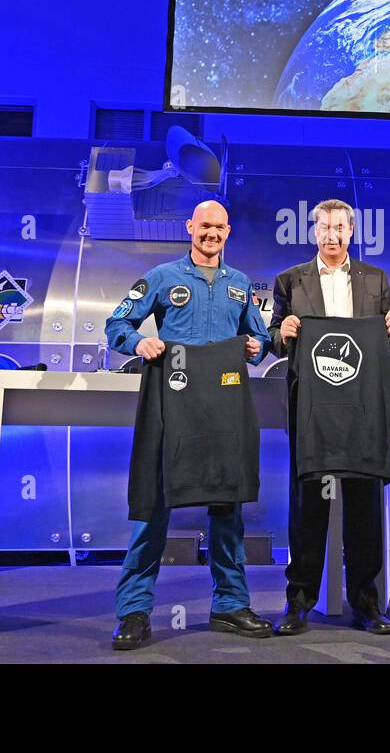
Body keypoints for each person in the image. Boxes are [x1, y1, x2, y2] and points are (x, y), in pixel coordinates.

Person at [104, 200, 273, 650]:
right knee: (154, 504)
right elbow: (116, 323)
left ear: (228, 231)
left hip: (223, 406)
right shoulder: (161, 277)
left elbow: (262, 338)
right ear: (190, 228)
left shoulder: (240, 285)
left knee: (227, 506)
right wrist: (140, 342)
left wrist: (258, 346)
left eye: (219, 227)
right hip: (172, 403)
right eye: (204, 226)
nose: (211, 233)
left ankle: (230, 606)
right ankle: (134, 612)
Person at [269, 198, 390, 635]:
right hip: (312, 410)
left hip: (361, 411)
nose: (332, 235)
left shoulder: (375, 279)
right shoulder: (290, 280)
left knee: (365, 506)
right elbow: (273, 338)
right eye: (324, 227)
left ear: (352, 231)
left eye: (340, 228)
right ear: (314, 231)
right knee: (307, 505)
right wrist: (282, 334)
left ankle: (367, 604)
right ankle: (298, 603)